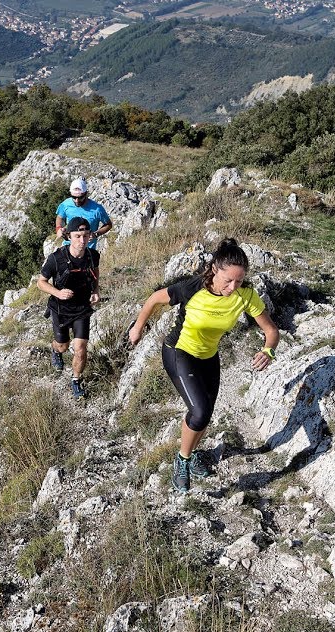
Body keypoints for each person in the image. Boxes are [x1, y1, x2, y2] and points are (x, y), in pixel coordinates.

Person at [127, 239, 280, 492]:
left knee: (205, 413)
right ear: (214, 270)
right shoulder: (193, 288)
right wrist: (138, 327)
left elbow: (271, 331)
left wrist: (269, 351)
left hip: (209, 356)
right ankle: (182, 461)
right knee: (199, 411)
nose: (233, 287)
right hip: (179, 351)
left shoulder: (245, 296)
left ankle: (190, 453)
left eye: (239, 281)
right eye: (228, 280)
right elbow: (155, 298)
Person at [38, 216, 100, 399]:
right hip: (60, 308)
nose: (82, 241)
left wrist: (96, 290)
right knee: (63, 346)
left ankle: (76, 380)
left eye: (86, 236)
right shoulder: (56, 258)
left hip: (82, 308)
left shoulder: (92, 255)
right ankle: (55, 350)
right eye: (77, 236)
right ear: (69, 236)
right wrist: (58, 293)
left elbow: (95, 271)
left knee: (80, 347)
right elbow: (41, 283)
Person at [55, 177, 113, 250]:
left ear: (86, 194)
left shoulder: (97, 209)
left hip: (88, 251)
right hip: (68, 248)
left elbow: (108, 224)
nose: (76, 201)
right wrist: (59, 229)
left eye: (80, 197)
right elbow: (60, 217)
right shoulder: (66, 204)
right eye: (73, 197)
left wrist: (96, 234)